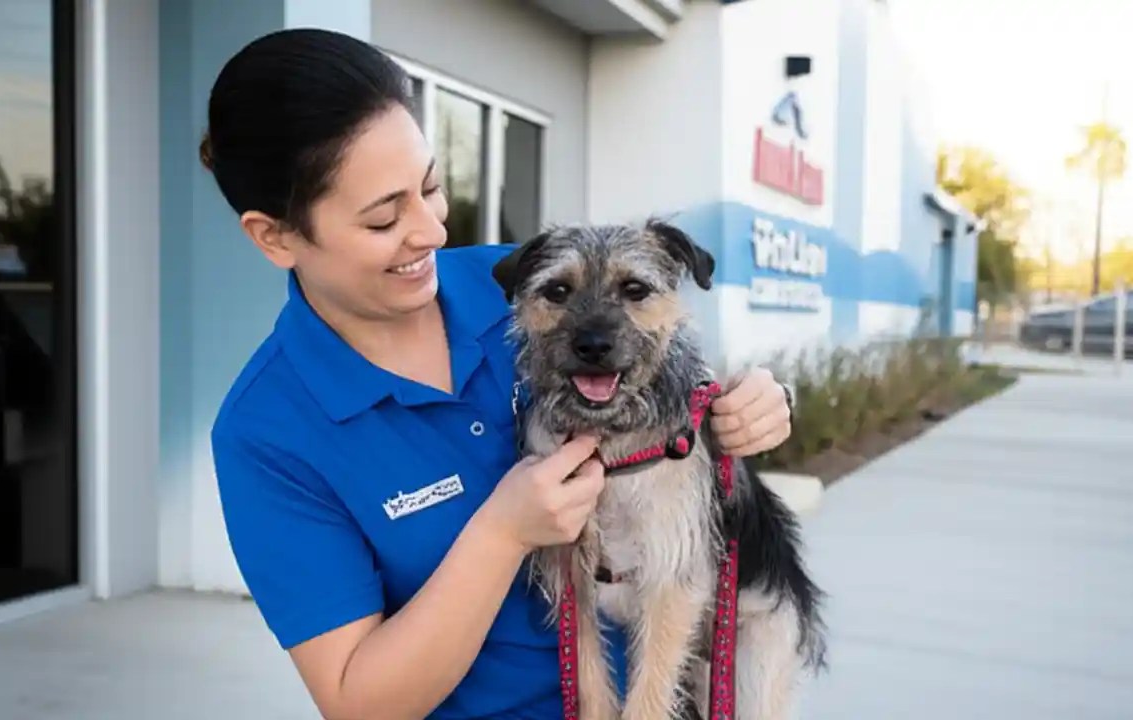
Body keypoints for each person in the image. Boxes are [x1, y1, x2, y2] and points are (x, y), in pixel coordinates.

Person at [205, 28, 795, 720]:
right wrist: (503, 533)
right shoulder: (268, 432)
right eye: (382, 218)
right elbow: (359, 702)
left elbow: (667, 358)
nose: (428, 232)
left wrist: (756, 403)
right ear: (275, 235)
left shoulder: (530, 286)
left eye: (430, 188)